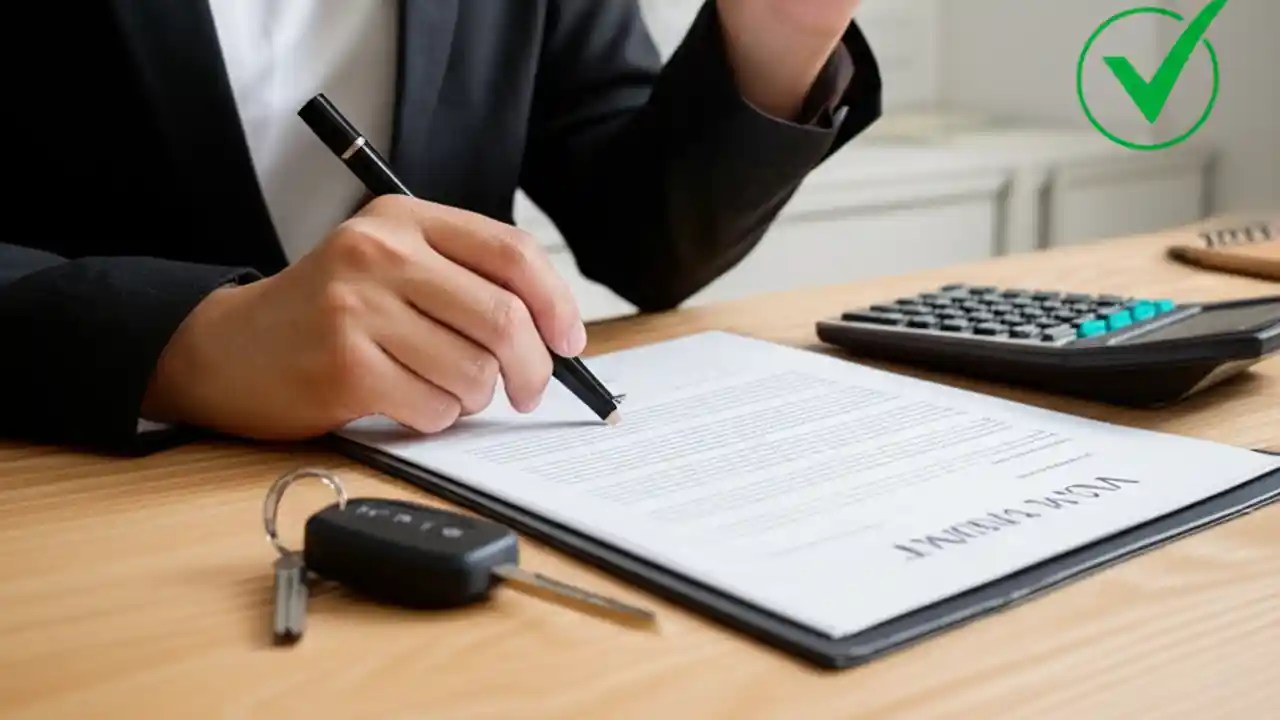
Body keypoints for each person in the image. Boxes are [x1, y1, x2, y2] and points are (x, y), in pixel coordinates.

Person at [1, 0, 881, 453]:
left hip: (462, 489)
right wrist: (192, 342)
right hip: (88, 504)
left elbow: (642, 237)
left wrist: (778, 36)